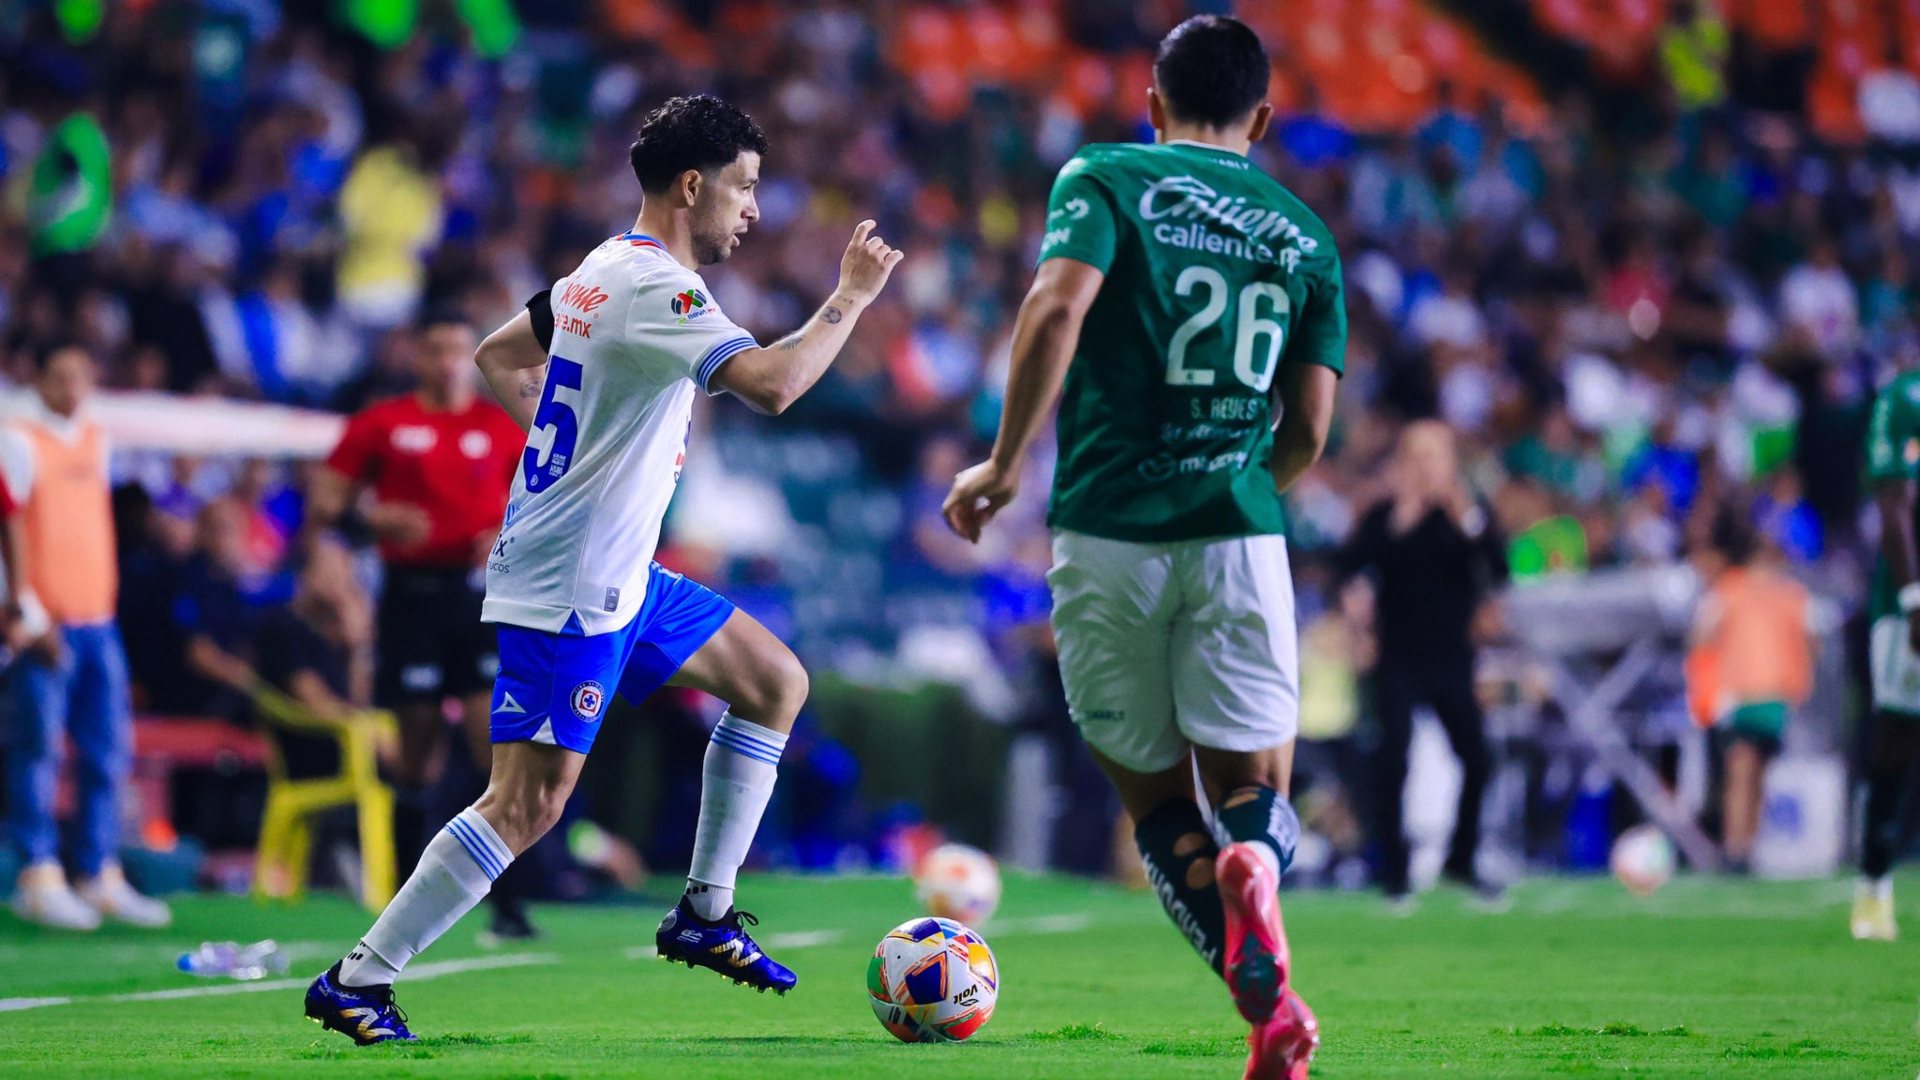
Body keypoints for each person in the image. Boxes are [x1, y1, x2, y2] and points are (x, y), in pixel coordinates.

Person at [305, 94, 903, 1043]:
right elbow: (777, 386)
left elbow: (502, 355)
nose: (753, 211)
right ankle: (356, 979)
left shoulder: (598, 268)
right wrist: (852, 297)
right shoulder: (658, 289)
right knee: (526, 805)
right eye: (745, 189)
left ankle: (704, 915)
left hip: (622, 570)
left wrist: (563, 446)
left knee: (774, 682)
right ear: (693, 185)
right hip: (573, 586)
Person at [942, 17, 1341, 1078]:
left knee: (1158, 805)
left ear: (1153, 105)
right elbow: (1307, 432)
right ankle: (1255, 863)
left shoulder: (1107, 177)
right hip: (1237, 535)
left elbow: (1055, 304)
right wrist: (1237, 483)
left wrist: (1004, 463)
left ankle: (1272, 1016)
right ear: (1262, 118)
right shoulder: (1306, 237)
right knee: (1253, 793)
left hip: (1104, 531)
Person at [308, 311, 534, 940]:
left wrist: (506, 527)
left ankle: (509, 906)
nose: (446, 361)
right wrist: (373, 522)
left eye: (457, 349)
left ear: (472, 354)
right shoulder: (383, 423)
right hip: (410, 597)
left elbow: (546, 492)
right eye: (435, 349)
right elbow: (325, 503)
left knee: (496, 749)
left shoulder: (499, 425)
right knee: (417, 751)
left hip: (483, 598)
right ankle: (406, 907)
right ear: (417, 356)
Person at [1, 344, 171, 930]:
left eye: (81, 375)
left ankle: (98, 872)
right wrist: (27, 611)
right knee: (38, 750)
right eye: (59, 374)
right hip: (50, 622)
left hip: (99, 618)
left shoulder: (95, 439)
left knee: (107, 752)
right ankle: (37, 873)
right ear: (39, 377)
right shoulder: (19, 439)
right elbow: (10, 527)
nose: (71, 386)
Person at [1335, 420, 1508, 910]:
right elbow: (1348, 567)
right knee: (1392, 760)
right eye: (1418, 456)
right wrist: (1355, 614)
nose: (1428, 466)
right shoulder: (1386, 517)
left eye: (1436, 456)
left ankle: (1462, 859)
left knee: (1477, 758)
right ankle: (1394, 872)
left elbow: (1496, 570)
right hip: (1398, 658)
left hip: (1451, 658)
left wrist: (1466, 516)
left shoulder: (1464, 516)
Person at [1684, 509, 1812, 873]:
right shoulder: (1791, 593)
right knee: (1755, 773)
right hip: (1775, 693)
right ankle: (1744, 847)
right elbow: (1809, 641)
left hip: (1741, 691)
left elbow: (1701, 636)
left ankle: (1737, 848)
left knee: (1742, 770)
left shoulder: (1730, 589)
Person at [1854, 370, 1920, 941]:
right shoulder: (1904, 398)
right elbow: (1895, 502)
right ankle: (1873, 885)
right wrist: (1914, 598)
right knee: (1898, 736)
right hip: (1909, 601)